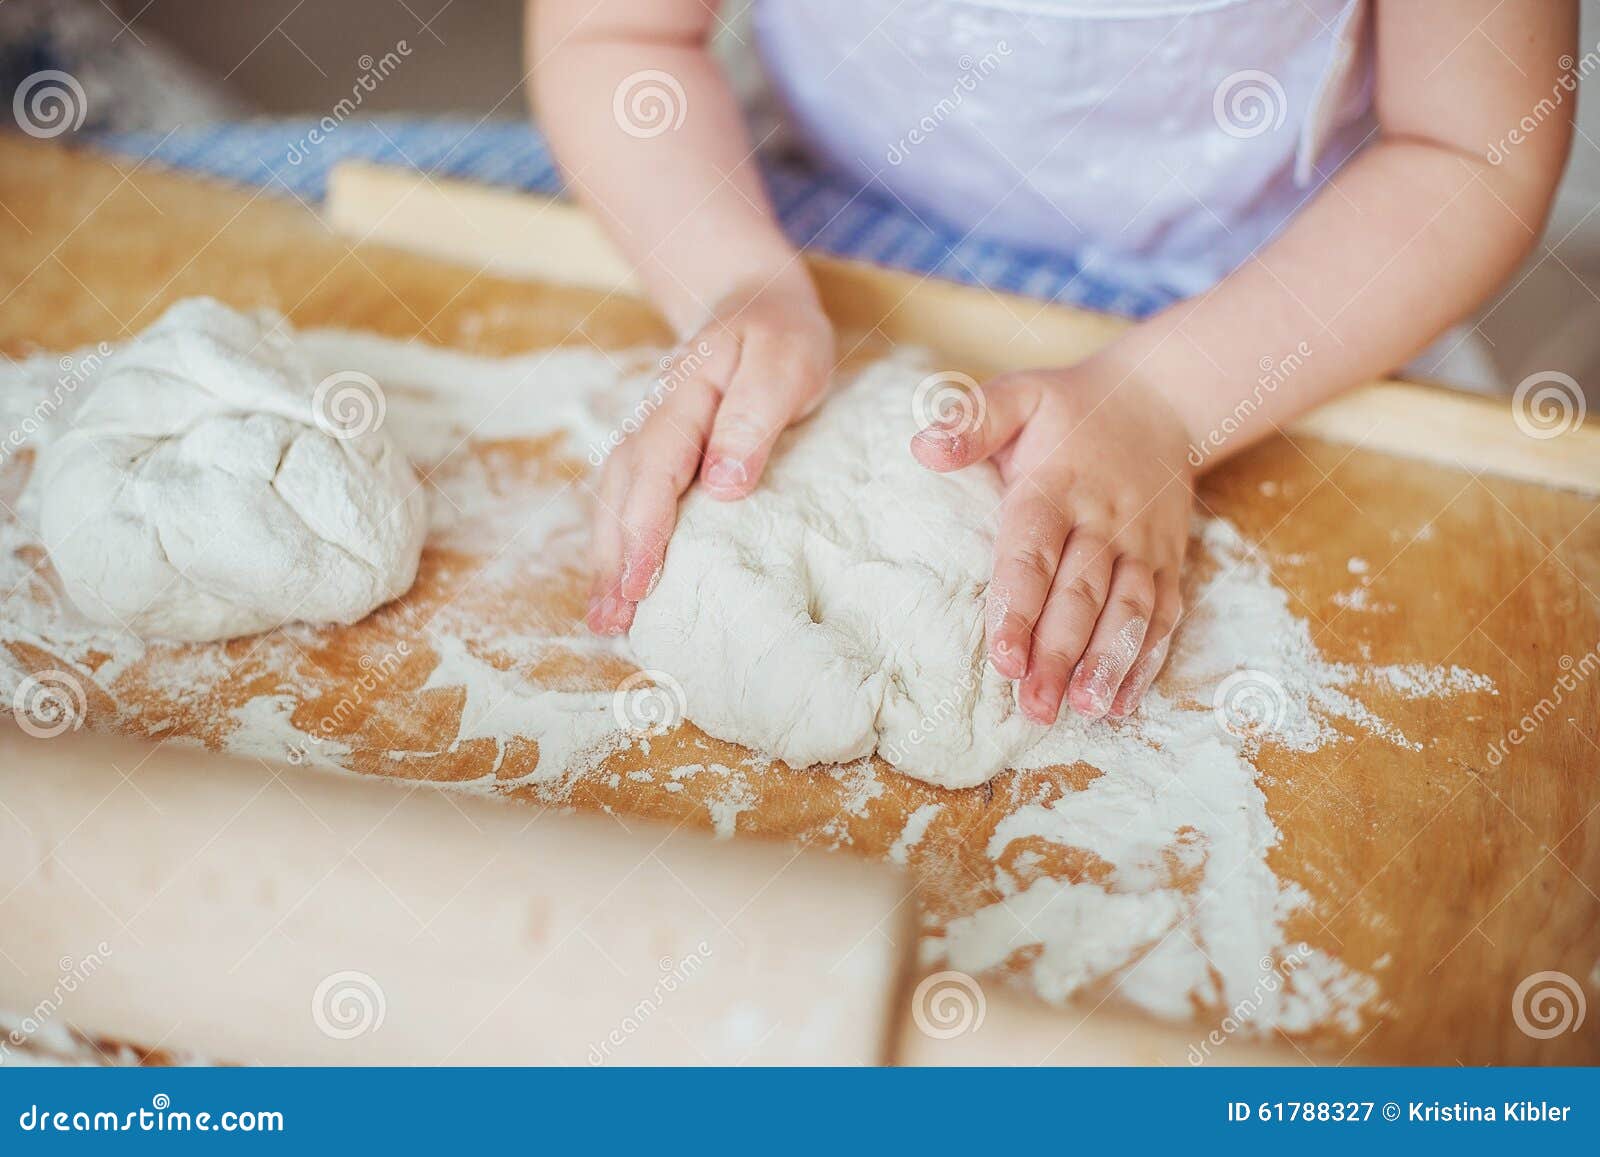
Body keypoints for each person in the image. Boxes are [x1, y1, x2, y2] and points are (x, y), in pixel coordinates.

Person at [528, 0, 1576, 724]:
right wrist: (731, 280)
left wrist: (1168, 397)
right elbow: (618, 35)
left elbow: (1472, 153)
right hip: (830, 226)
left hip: (1285, 300)